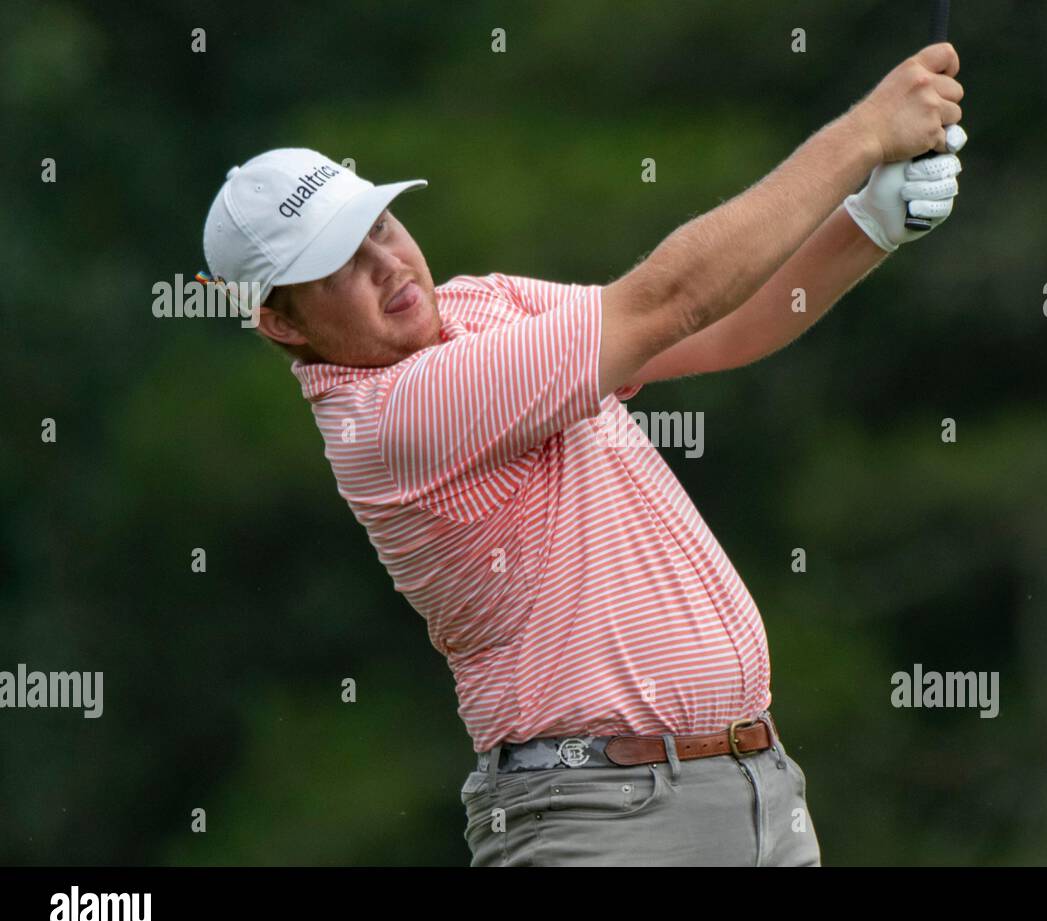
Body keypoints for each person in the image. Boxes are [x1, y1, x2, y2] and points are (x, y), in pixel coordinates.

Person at [201, 42, 965, 866]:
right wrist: (862, 137)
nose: (388, 264)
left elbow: (721, 329)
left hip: (756, 794)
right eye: (341, 264)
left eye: (379, 226)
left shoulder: (483, 305)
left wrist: (870, 225)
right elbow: (666, 301)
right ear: (283, 323)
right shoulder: (395, 415)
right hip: (602, 822)